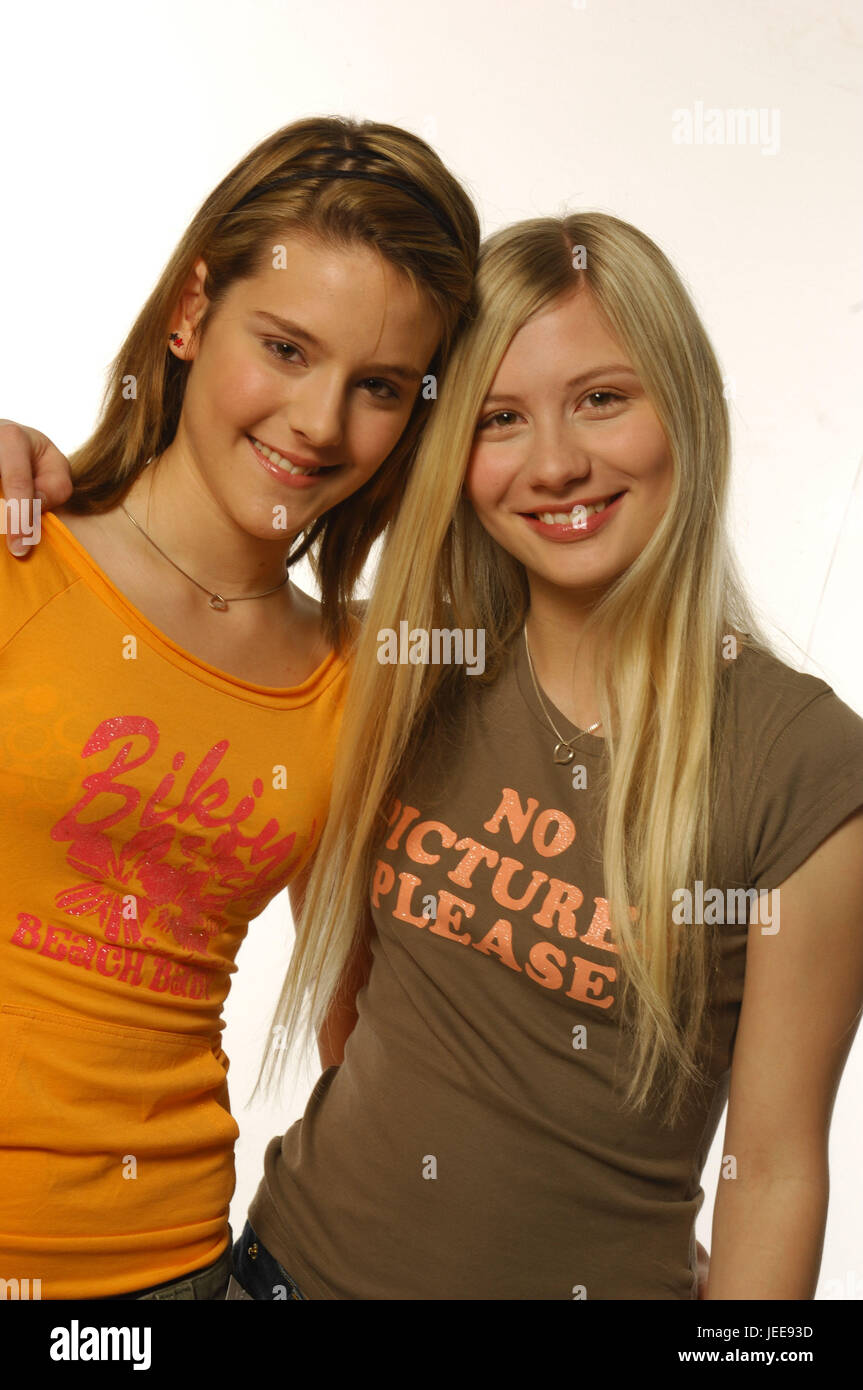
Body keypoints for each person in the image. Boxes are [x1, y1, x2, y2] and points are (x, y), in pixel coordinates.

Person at [224, 212, 863, 1300]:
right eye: (499, 418)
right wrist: (42, 475)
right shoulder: (395, 671)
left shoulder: (803, 765)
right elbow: (355, 999)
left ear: (689, 408)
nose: (557, 464)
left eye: (601, 399)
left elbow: (771, 1172)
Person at [0, 113, 479, 1299]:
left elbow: (372, 1028)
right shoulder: (19, 556)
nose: (319, 424)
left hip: (156, 1272)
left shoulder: (361, 678)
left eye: (376, 386)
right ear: (188, 312)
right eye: (285, 348)